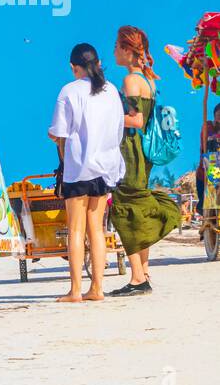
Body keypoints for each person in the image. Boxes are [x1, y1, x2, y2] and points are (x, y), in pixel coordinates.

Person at [48, 43, 125, 302]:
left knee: (76, 229)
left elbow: (58, 132)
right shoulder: (111, 90)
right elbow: (118, 130)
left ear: (74, 67)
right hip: (106, 167)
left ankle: (75, 290)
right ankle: (98, 288)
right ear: (99, 63)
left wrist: (54, 136)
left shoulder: (68, 91)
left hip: (78, 167)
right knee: (97, 228)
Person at [109, 26, 182, 296]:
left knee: (124, 209)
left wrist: (107, 117)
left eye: (117, 46)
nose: (114, 50)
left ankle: (138, 277)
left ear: (128, 50)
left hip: (131, 151)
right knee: (137, 206)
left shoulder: (131, 81)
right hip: (143, 153)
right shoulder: (149, 80)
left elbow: (137, 121)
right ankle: (143, 273)